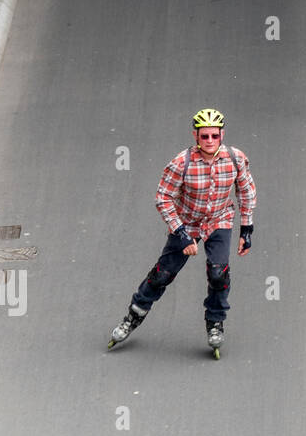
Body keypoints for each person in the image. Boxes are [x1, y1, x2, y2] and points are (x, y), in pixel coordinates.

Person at [108, 108, 257, 353]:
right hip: (186, 221)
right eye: (204, 136)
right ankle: (133, 315)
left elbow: (246, 190)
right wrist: (183, 234)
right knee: (163, 274)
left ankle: (215, 321)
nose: (209, 141)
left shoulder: (235, 158)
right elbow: (163, 198)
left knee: (219, 273)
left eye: (214, 136)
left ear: (222, 135)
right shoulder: (181, 163)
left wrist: (247, 229)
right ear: (195, 136)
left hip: (219, 219)